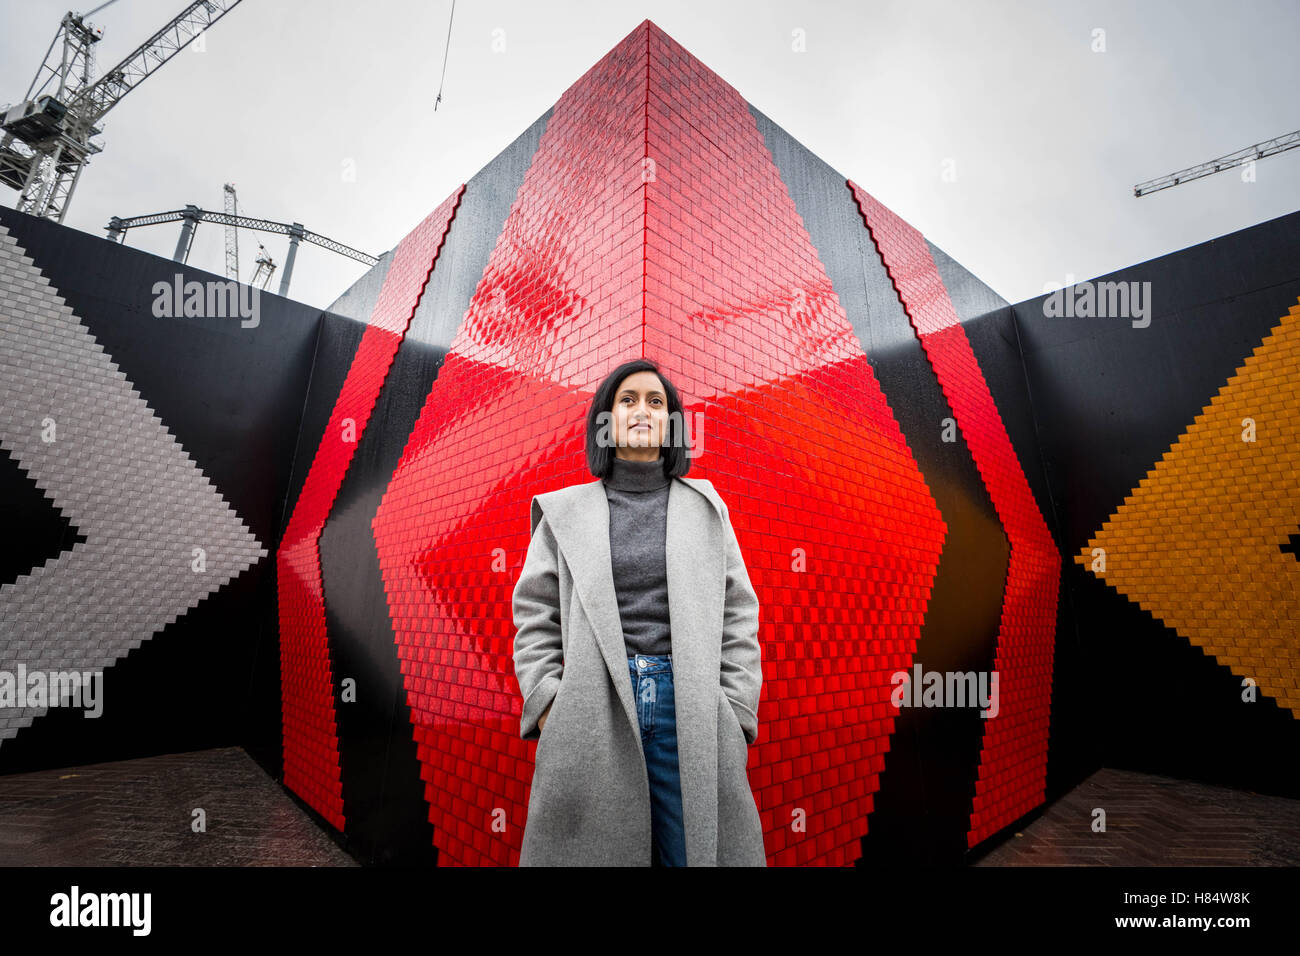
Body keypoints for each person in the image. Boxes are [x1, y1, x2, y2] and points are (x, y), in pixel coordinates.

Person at [512, 358, 766, 866]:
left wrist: (735, 710)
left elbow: (738, 612)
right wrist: (548, 704)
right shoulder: (565, 512)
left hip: (691, 710)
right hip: (592, 706)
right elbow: (534, 613)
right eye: (627, 400)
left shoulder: (706, 508)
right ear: (604, 420)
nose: (642, 411)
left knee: (687, 853)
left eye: (656, 402)